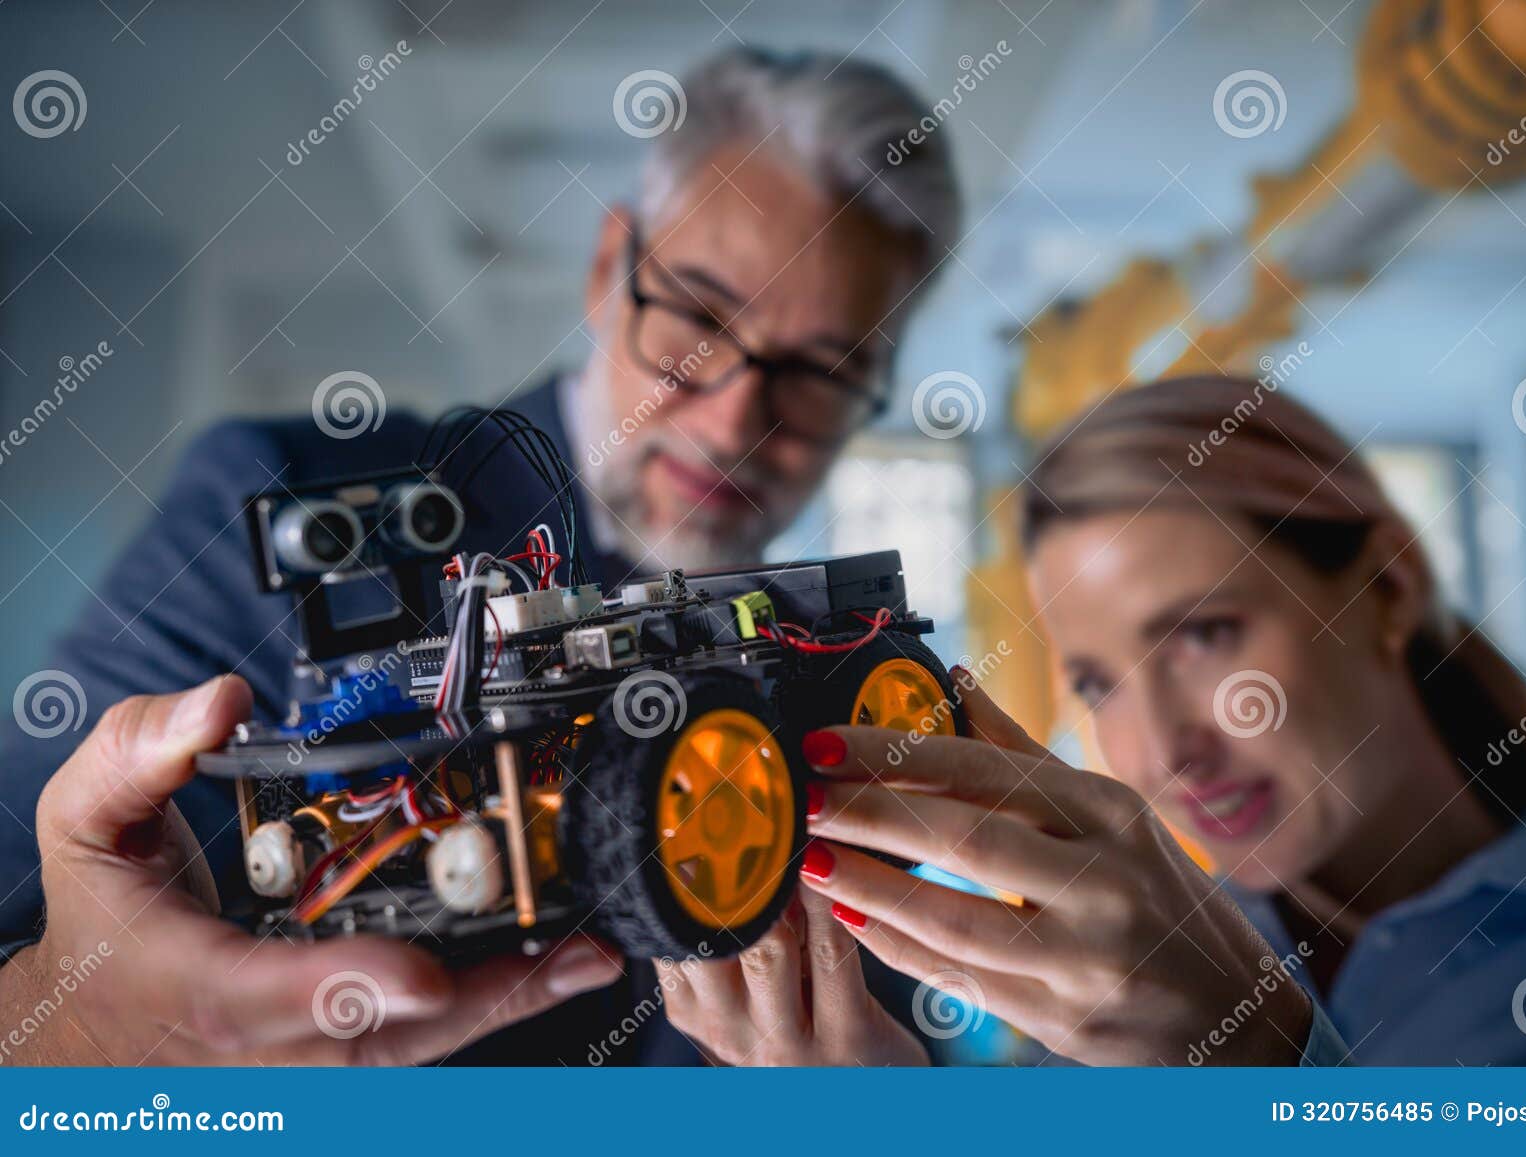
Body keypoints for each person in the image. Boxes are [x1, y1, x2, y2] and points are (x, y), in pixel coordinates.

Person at [0, 46, 961, 1065]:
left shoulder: (841, 686)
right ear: (609, 268)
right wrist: (70, 1027)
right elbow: (29, 884)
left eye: (822, 370)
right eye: (699, 316)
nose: (733, 421)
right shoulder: (294, 505)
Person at [660, 375, 1526, 1065]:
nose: (1162, 752)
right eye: (1098, 683)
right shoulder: (1145, 967)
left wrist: (1262, 1060)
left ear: (1388, 586)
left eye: (1205, 635)